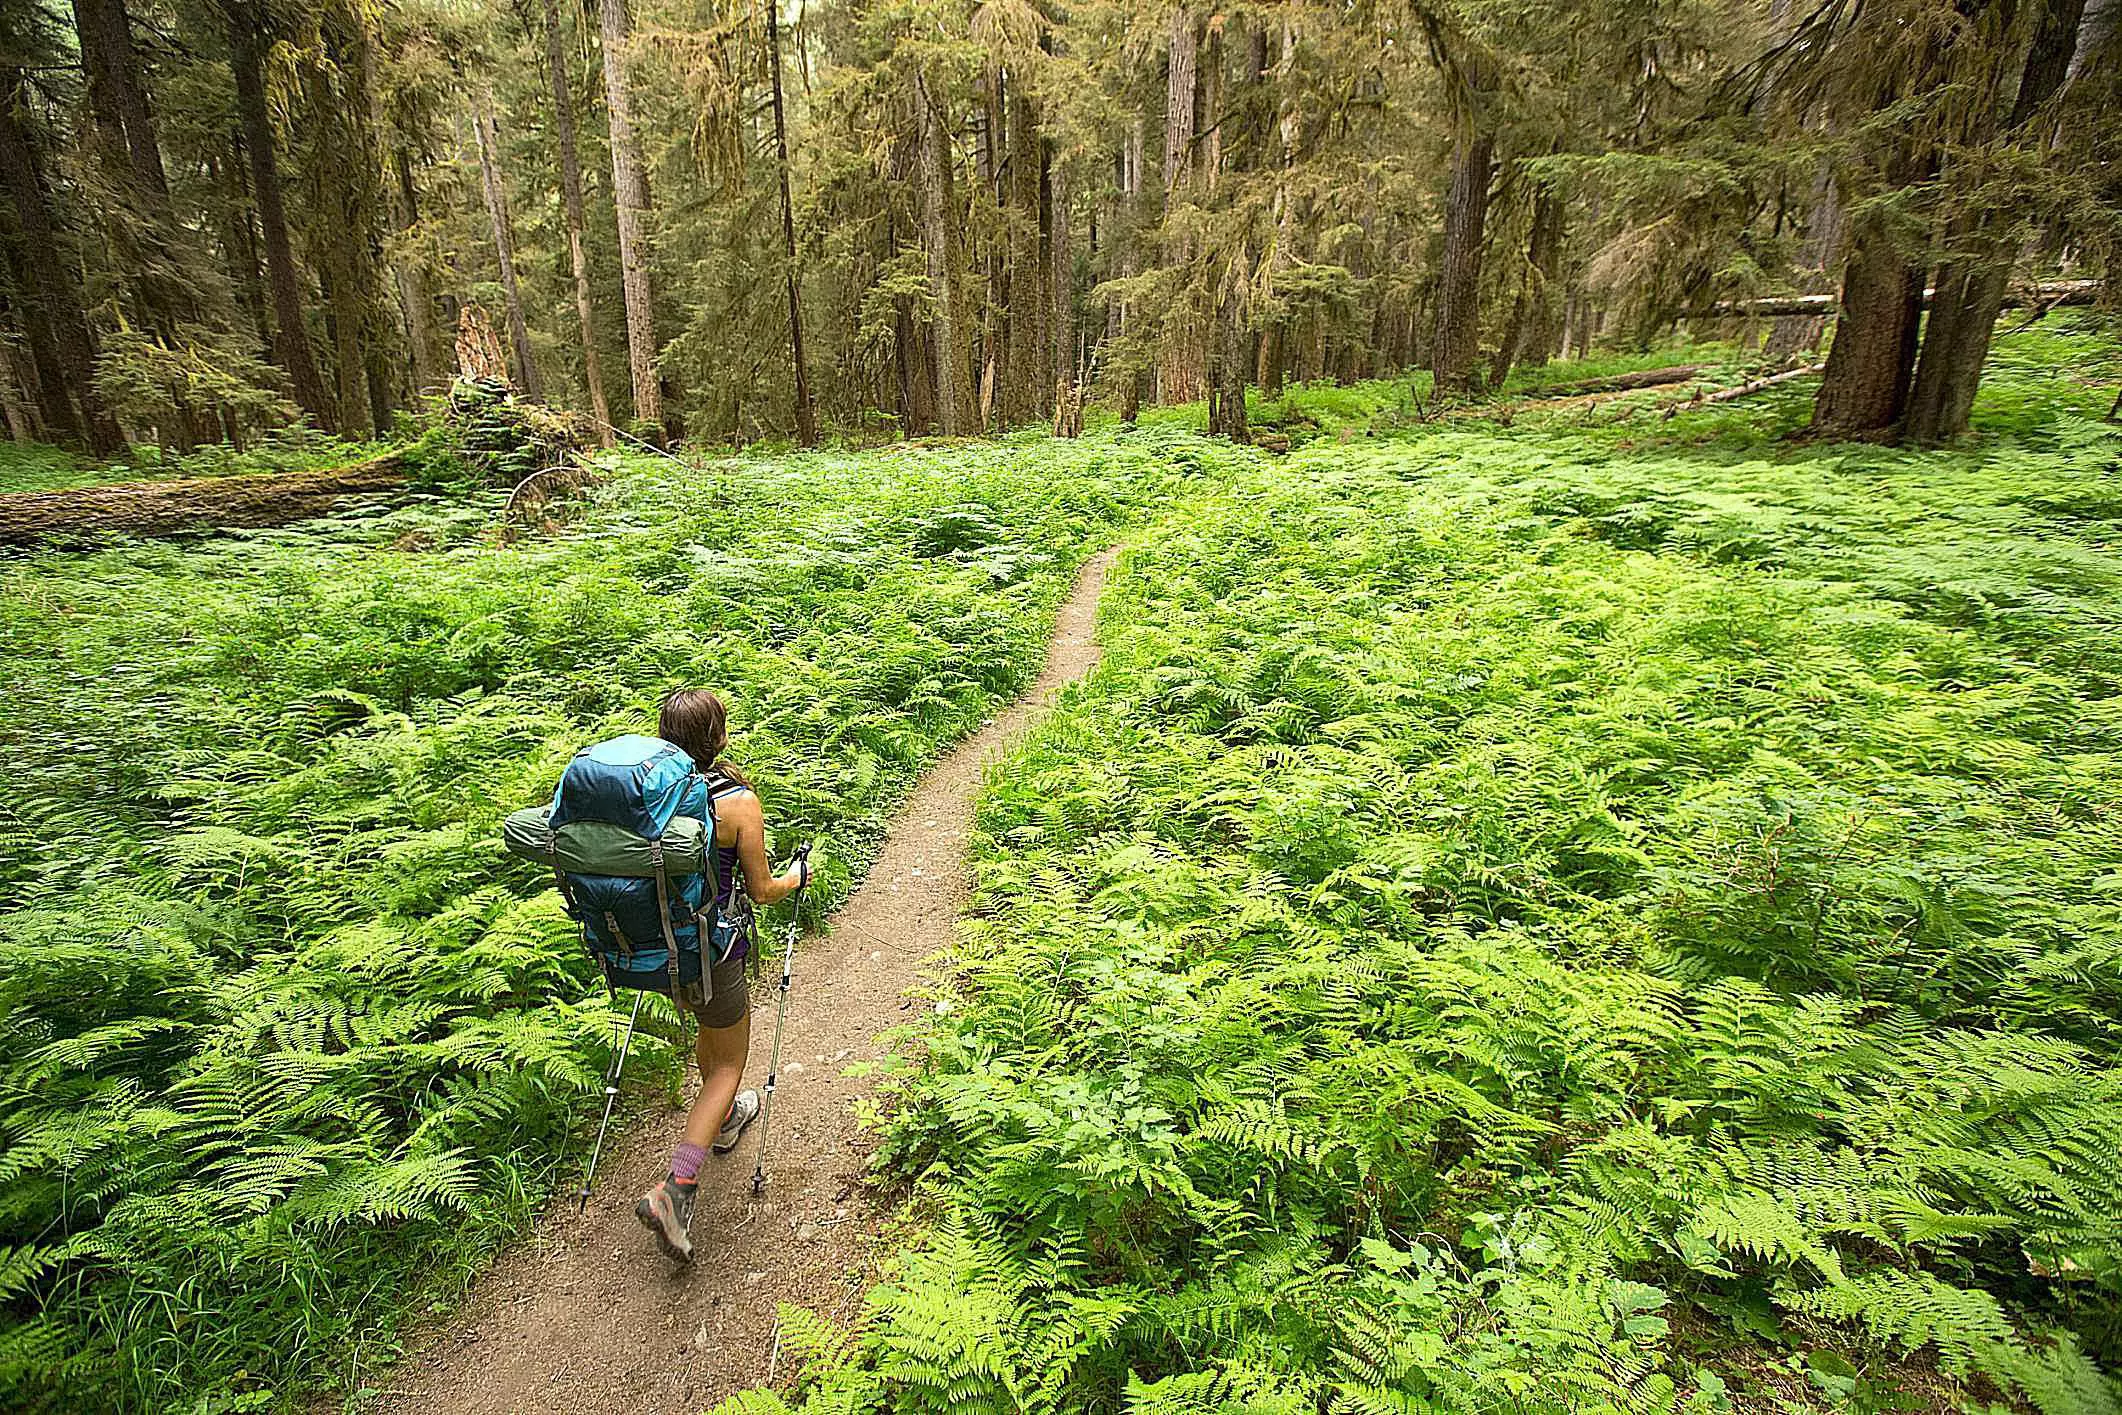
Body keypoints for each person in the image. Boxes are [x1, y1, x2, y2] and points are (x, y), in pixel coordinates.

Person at [634, 688, 810, 1262]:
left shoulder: (645, 797)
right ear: (720, 736)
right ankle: (676, 1188)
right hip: (714, 951)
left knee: (714, 1039)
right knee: (730, 1062)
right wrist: (797, 877)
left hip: (650, 951)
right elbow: (761, 890)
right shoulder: (735, 803)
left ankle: (727, 1115)